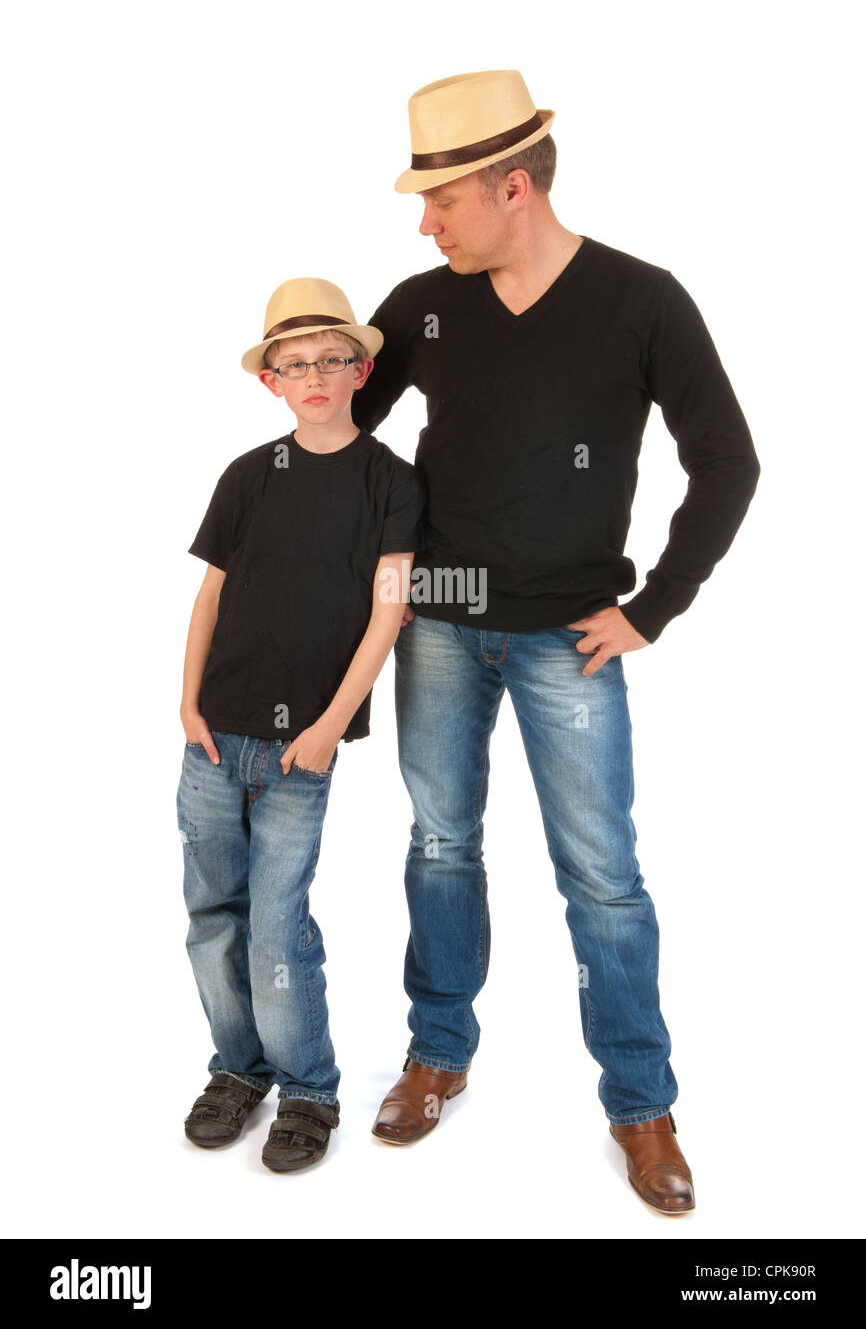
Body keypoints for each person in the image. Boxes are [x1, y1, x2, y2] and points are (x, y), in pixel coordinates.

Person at [351, 69, 761, 1213]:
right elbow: (346, 438)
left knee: (603, 878)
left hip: (568, 641)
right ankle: (437, 1054)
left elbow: (725, 461)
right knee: (439, 844)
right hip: (437, 622)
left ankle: (641, 1109)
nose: (424, 223)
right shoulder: (422, 305)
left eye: (442, 201)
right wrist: (310, 354)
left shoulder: (642, 301)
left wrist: (652, 606)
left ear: (512, 188)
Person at [177, 277, 425, 1172]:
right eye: (294, 364)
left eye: (330, 360)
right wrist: (187, 700)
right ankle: (237, 1070)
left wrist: (330, 725)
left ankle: (308, 1088)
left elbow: (389, 611)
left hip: (301, 746)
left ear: (361, 369)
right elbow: (211, 595)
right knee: (214, 913)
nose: (313, 376)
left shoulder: (392, 483)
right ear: (270, 382)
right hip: (213, 737)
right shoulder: (249, 475)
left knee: (279, 923)